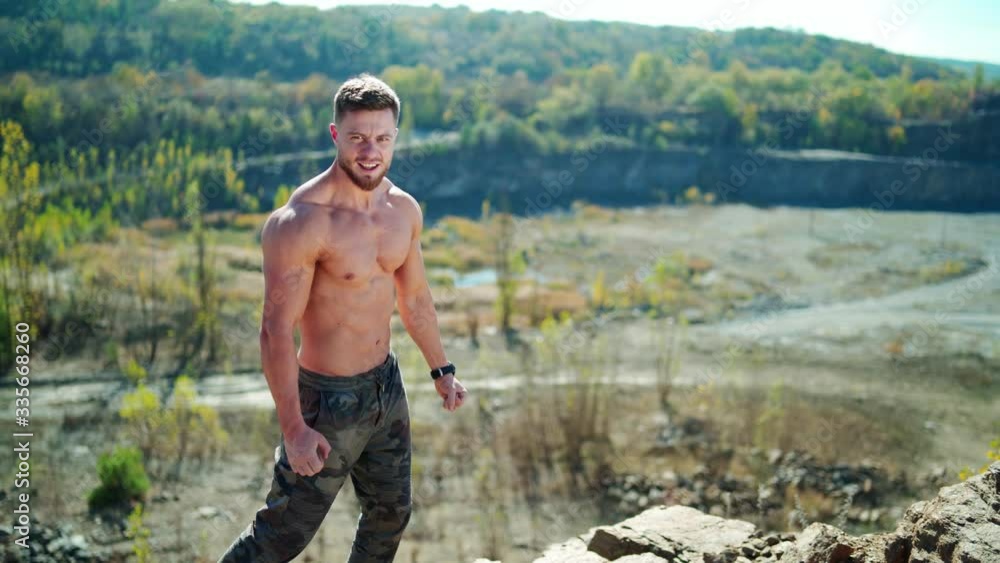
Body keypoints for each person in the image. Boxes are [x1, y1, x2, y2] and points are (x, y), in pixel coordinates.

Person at [218, 73, 468, 563]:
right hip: (326, 402)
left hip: (386, 387)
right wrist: (293, 428)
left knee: (391, 512)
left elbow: (415, 299)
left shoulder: (403, 210)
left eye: (382, 138)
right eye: (357, 138)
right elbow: (274, 331)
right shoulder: (302, 221)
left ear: (396, 137)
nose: (370, 150)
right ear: (336, 135)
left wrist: (442, 370)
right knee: (280, 538)